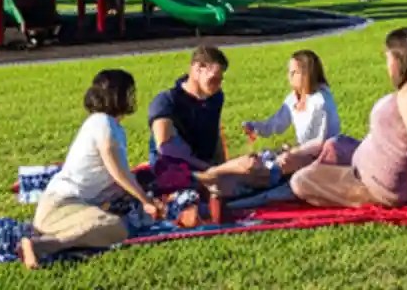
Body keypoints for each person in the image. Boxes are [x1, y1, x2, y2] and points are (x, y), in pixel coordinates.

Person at [289, 27, 407, 226]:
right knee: (335, 144)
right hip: (371, 160)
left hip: (378, 184)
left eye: (388, 59)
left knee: (300, 181)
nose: (387, 66)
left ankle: (348, 190)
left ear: (400, 59)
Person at [19, 69, 162, 269]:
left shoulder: (105, 124)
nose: (132, 97)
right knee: (116, 228)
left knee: (124, 221)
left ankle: (53, 240)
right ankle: (41, 246)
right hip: (61, 206)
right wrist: (145, 201)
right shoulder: (104, 123)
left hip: (70, 207)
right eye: (129, 92)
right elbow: (117, 172)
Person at [148, 45, 259, 195]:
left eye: (220, 80)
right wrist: (213, 169)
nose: (218, 85)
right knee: (223, 186)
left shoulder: (216, 97)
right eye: (214, 79)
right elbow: (166, 149)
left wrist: (223, 165)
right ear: (197, 69)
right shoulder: (166, 102)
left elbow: (215, 133)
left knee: (257, 174)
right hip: (176, 169)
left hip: (206, 166)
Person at [242, 49, 341, 175]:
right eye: (289, 72)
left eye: (294, 72)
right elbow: (276, 124)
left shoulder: (320, 102)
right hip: (303, 153)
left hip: (324, 157)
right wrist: (255, 126)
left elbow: (320, 143)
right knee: (259, 158)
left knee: (281, 162)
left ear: (306, 74)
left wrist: (294, 152)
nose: (289, 76)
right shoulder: (293, 98)